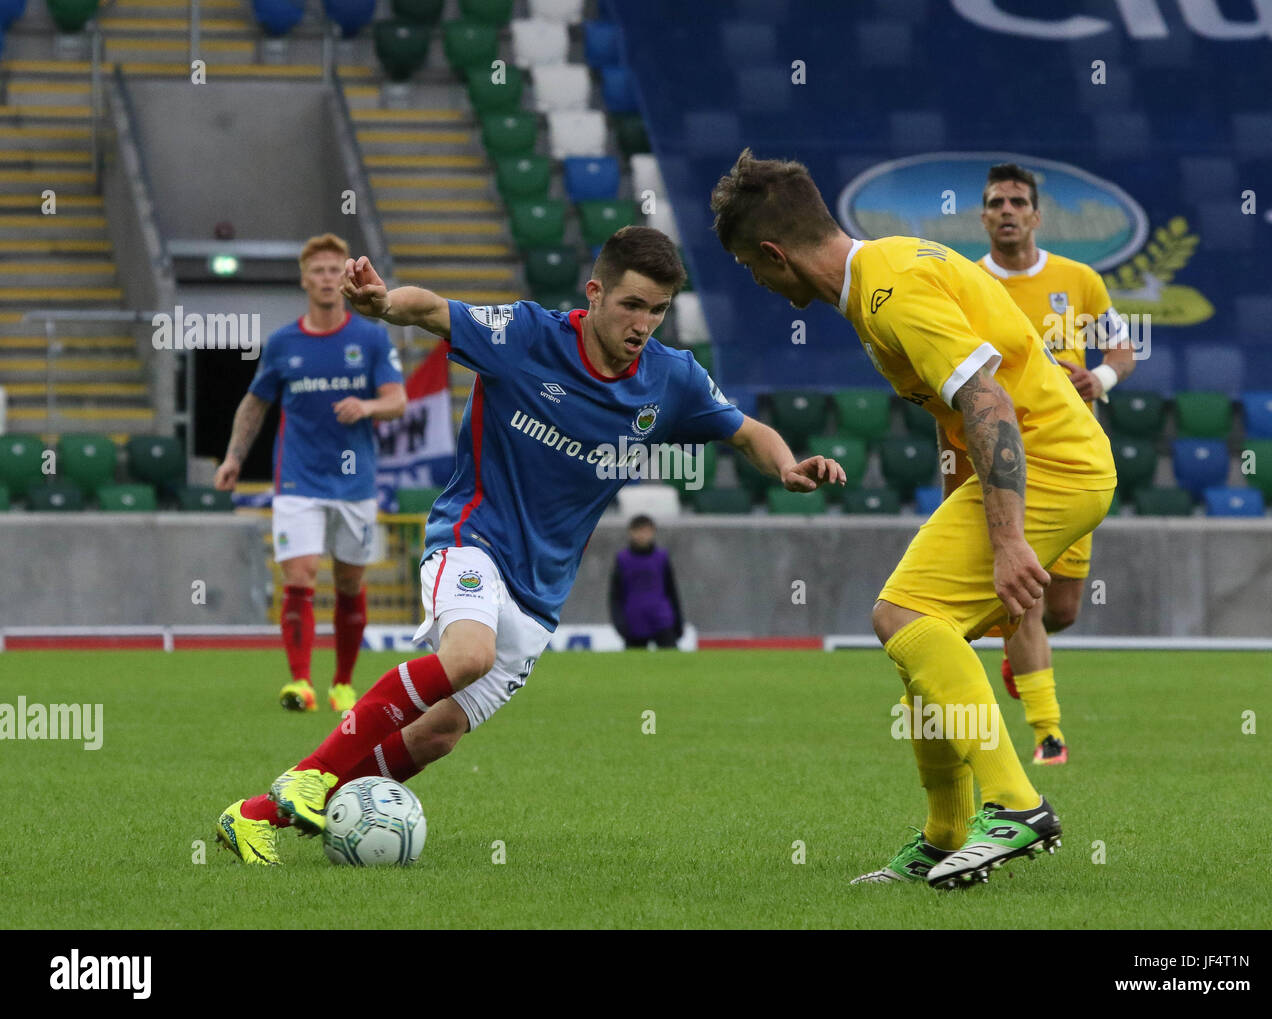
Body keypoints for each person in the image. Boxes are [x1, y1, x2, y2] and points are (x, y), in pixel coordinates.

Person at [216, 226, 845, 865]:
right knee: (468, 657)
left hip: (542, 591)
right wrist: (381, 306)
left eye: (657, 310)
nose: (643, 324)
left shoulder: (670, 379)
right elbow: (433, 311)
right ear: (595, 293)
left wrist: (787, 465)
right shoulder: (525, 335)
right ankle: (313, 777)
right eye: (631, 305)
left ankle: (256, 816)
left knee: (437, 736)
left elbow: (745, 430)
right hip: (472, 539)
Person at [710, 150, 1115, 889]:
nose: (759, 283)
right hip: (1048, 457)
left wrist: (1008, 538)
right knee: (921, 635)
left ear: (774, 253)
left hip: (1055, 461)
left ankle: (1016, 803)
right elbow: (957, 407)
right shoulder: (883, 274)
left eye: (750, 268)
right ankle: (944, 837)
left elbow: (988, 401)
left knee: (902, 613)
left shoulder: (889, 291)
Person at [953, 162, 1137, 765]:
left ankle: (1013, 650)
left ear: (1035, 214)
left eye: (1017, 201)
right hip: (1001, 458)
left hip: (1069, 455)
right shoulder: (962, 281)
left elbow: (1122, 345)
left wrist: (1101, 375)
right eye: (995, 202)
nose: (1006, 210)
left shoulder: (1078, 280)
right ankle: (1048, 735)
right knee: (1023, 600)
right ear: (982, 216)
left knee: (1061, 609)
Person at [214, 233, 407, 715]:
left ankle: (343, 683)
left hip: (355, 481)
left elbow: (397, 401)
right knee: (299, 575)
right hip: (298, 480)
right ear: (304, 279)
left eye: (334, 270)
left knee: (348, 581)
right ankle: (300, 682)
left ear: (346, 277)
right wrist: (234, 457)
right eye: (317, 270)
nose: (326, 278)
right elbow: (255, 403)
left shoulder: (370, 336)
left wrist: (366, 405)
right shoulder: (283, 344)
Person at [609, 515, 683, 648]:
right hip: (634, 620)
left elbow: (671, 591)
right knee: (634, 666)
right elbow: (616, 595)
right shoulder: (622, 559)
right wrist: (619, 622)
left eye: (646, 531)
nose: (642, 535)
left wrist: (678, 622)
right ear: (630, 532)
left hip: (661, 618)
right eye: (638, 531)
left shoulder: (662, 557)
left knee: (671, 661)